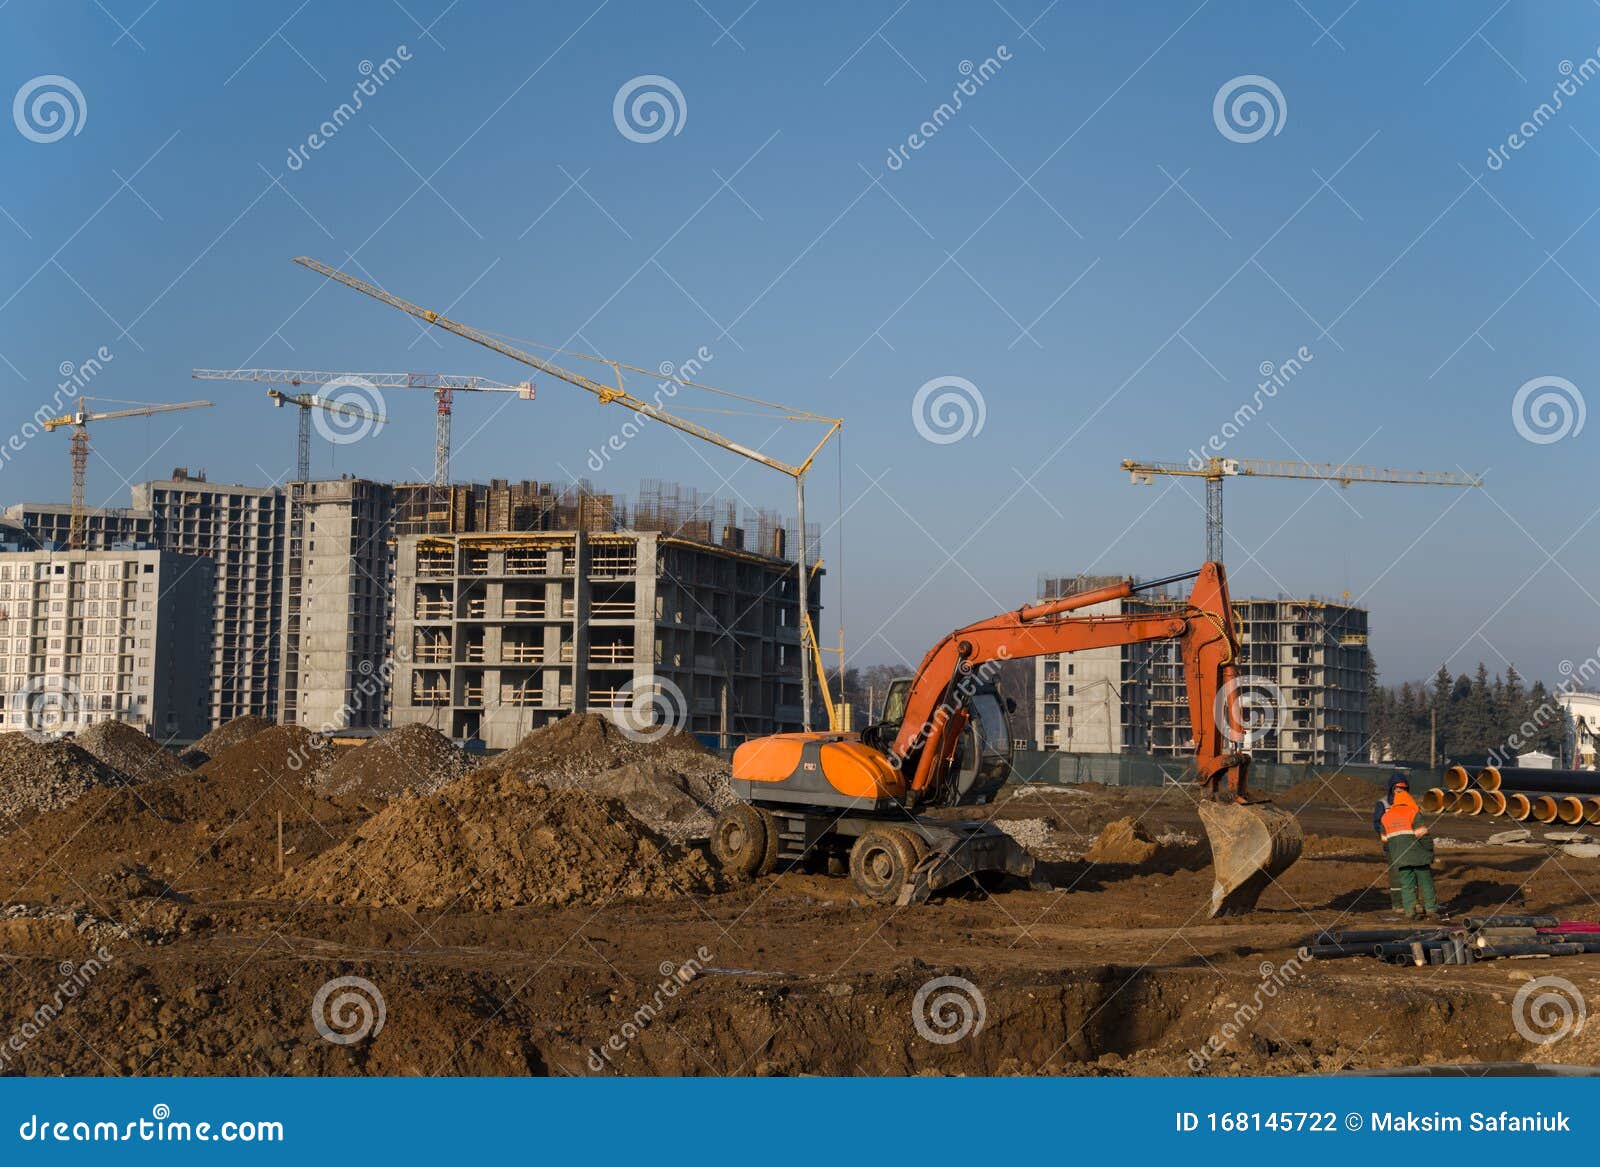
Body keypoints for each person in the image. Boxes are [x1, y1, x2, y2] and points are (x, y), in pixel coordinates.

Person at [1378, 776, 1441, 919]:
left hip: (1400, 857)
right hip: (1419, 856)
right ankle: (1431, 909)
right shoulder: (1413, 813)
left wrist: (1394, 854)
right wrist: (1429, 851)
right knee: (1426, 883)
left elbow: (1385, 840)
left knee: (1406, 885)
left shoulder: (1386, 817)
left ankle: (1410, 912)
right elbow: (1423, 836)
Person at [1372, 773, 1409, 911]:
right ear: (1392, 788)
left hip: (1407, 844)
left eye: (1403, 788)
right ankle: (1398, 904)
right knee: (1395, 874)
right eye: (1398, 788)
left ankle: (1411, 903)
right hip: (1392, 845)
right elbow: (1377, 824)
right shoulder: (1383, 804)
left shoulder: (1410, 803)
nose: (1400, 791)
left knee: (1410, 874)